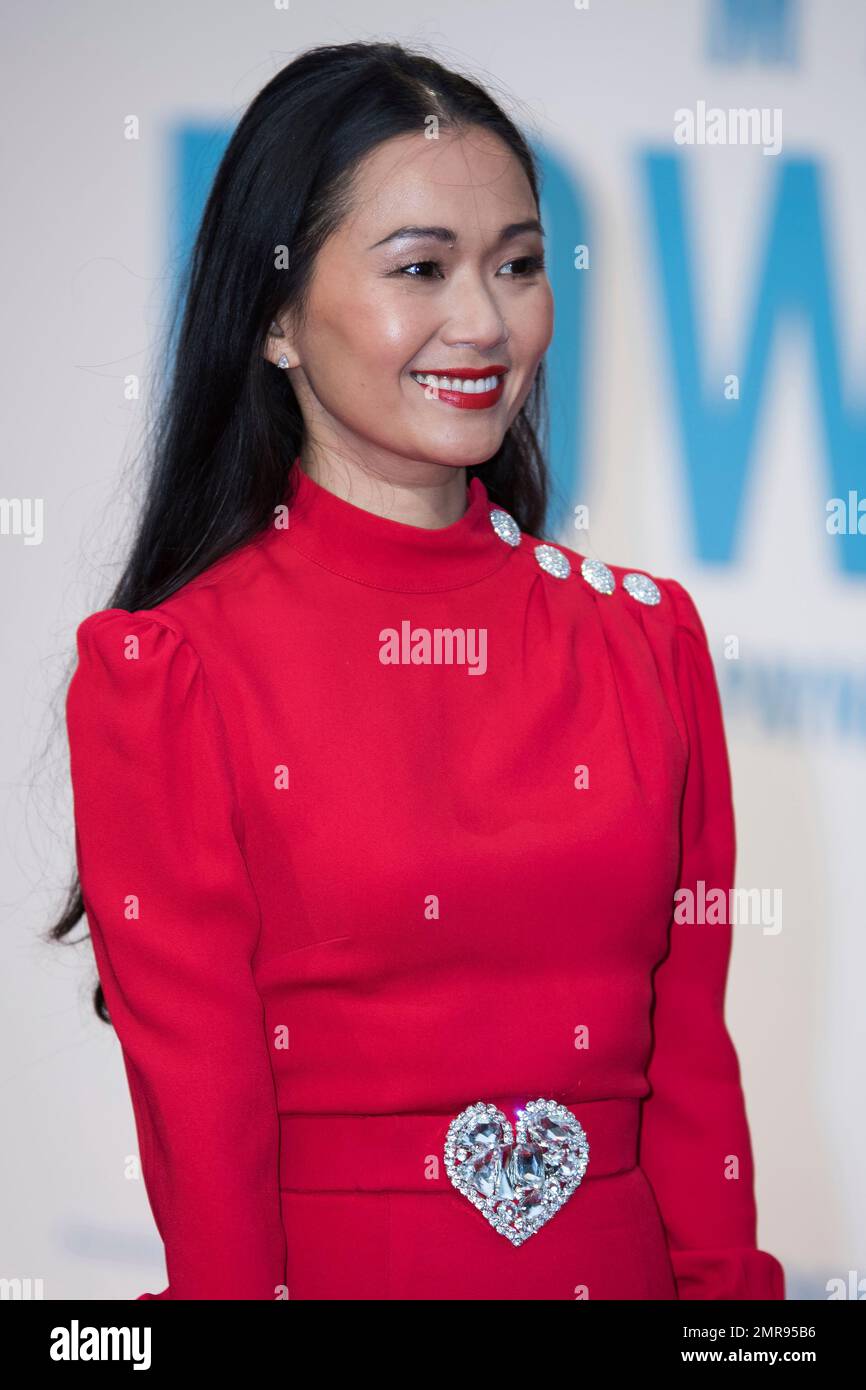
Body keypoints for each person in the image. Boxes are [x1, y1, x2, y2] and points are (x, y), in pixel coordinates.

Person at [58, 40, 785, 1300]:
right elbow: (206, 1143)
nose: (484, 323)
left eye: (514, 264)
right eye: (420, 270)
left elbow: (689, 1074)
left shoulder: (646, 646)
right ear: (275, 317)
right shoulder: (171, 674)